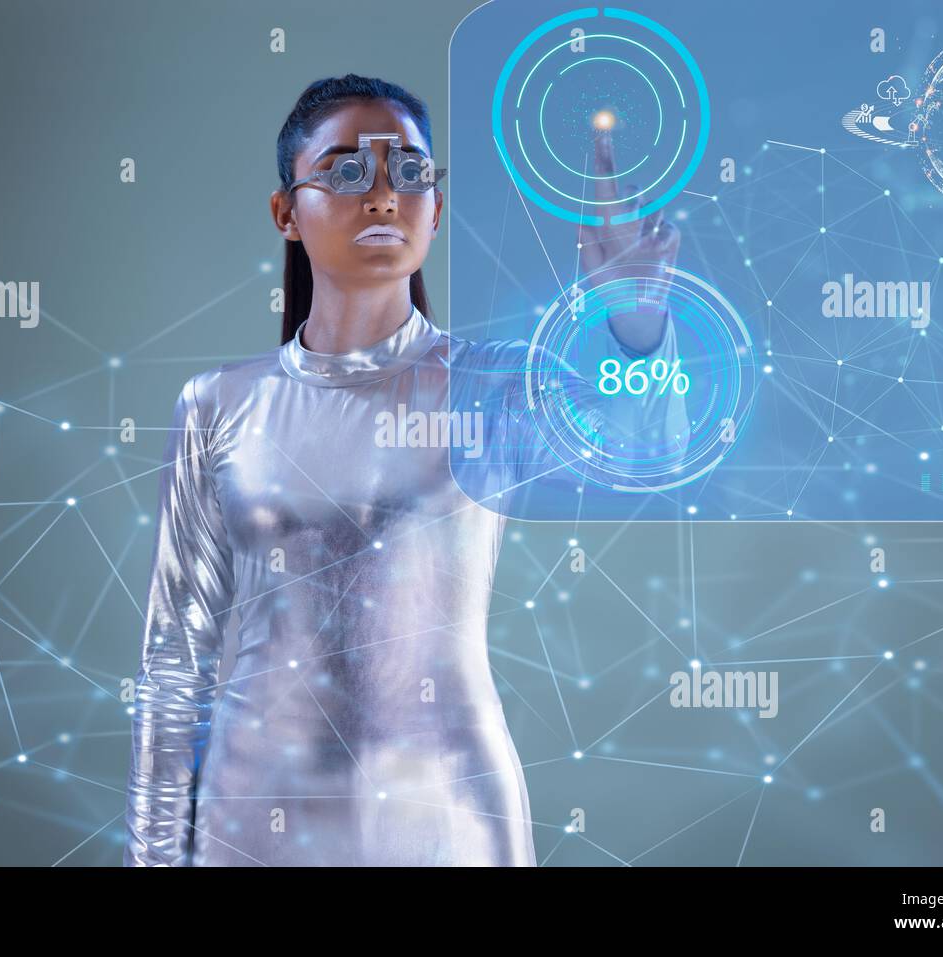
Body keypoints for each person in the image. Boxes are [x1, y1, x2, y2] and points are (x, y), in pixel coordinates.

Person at [123, 74, 687, 866]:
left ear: (437, 208)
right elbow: (175, 661)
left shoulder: (492, 391)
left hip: (448, 821)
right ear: (287, 212)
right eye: (348, 171)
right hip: (253, 825)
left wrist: (635, 322)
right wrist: (153, 857)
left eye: (411, 173)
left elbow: (648, 451)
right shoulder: (219, 406)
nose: (384, 196)